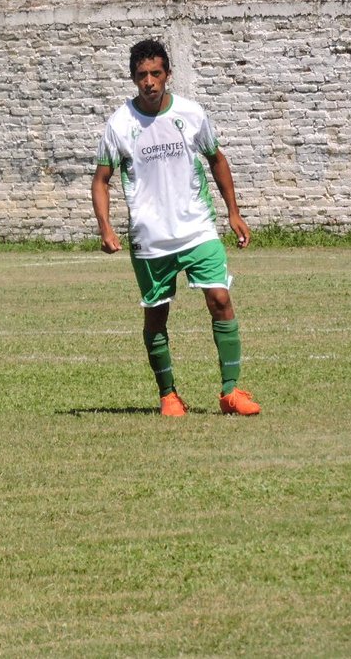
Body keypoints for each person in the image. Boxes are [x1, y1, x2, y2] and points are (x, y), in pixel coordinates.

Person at [91, 39, 261, 417]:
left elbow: (217, 159)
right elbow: (101, 179)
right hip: (150, 237)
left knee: (220, 299)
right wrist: (105, 228)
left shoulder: (192, 113)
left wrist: (234, 213)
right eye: (141, 76)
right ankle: (168, 395)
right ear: (133, 79)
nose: (149, 82)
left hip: (197, 228)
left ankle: (231, 392)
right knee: (156, 314)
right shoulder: (120, 125)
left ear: (168, 74)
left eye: (155, 73)